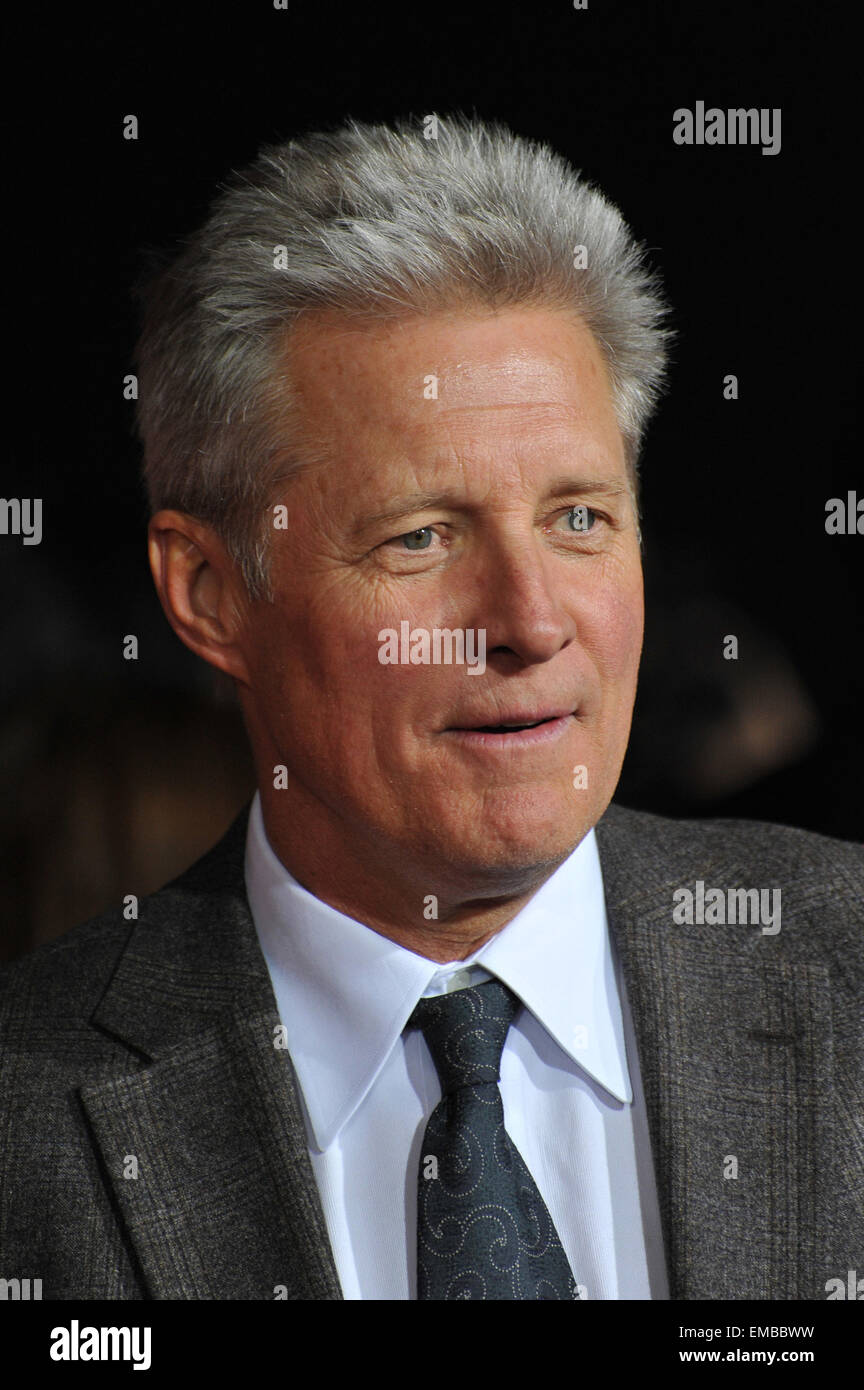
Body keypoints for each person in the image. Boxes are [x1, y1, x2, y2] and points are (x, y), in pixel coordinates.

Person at [1, 115, 861, 1301]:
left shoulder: (845, 970)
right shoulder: (25, 1124)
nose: (530, 621)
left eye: (579, 519)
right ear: (208, 594)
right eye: (422, 536)